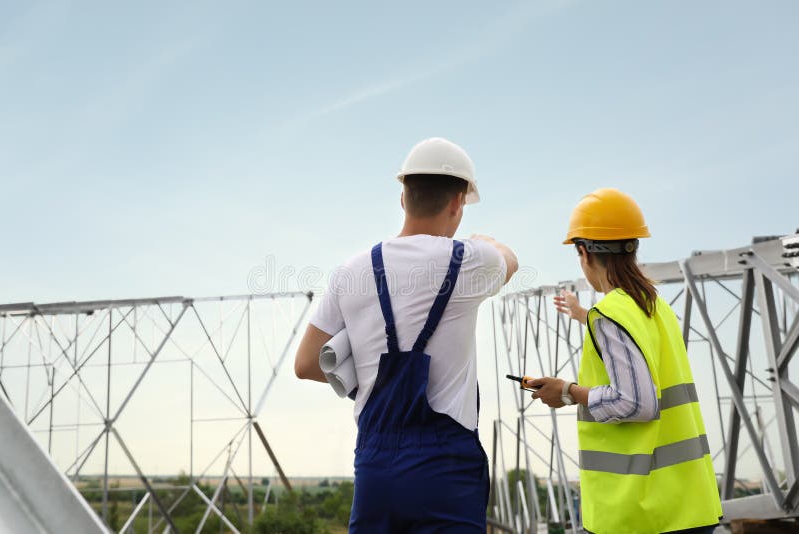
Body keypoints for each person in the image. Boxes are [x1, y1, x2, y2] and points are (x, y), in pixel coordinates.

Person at [294, 137, 518, 532]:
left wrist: (363, 373)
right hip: (446, 472)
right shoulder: (470, 260)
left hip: (376, 467)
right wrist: (484, 240)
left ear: (403, 198)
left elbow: (307, 364)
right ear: (457, 203)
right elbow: (510, 261)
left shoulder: (351, 271)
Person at [525, 188, 722, 534]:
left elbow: (636, 402)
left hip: (637, 513)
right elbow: (633, 347)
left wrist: (568, 391)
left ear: (583, 251)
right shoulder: (653, 306)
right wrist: (583, 315)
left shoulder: (610, 314)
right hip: (688, 504)